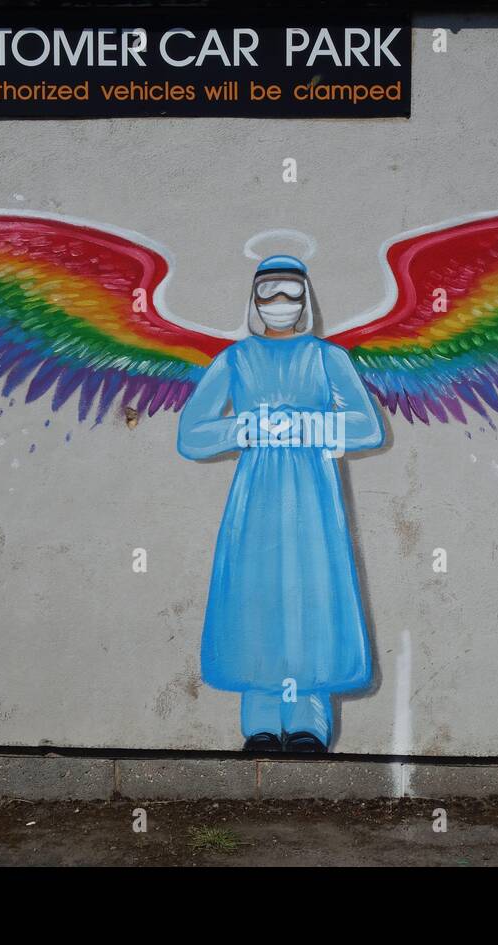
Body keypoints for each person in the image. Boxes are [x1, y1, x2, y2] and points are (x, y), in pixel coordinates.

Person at [176, 255, 385, 752]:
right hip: (256, 498)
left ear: (305, 298)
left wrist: (307, 424)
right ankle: (261, 725)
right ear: (254, 299)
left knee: (311, 594)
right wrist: (244, 427)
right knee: (257, 597)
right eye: (269, 292)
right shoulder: (235, 359)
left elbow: (367, 426)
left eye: (290, 292)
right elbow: (191, 434)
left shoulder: (327, 358)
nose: (279, 303)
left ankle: (310, 724)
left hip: (313, 495)